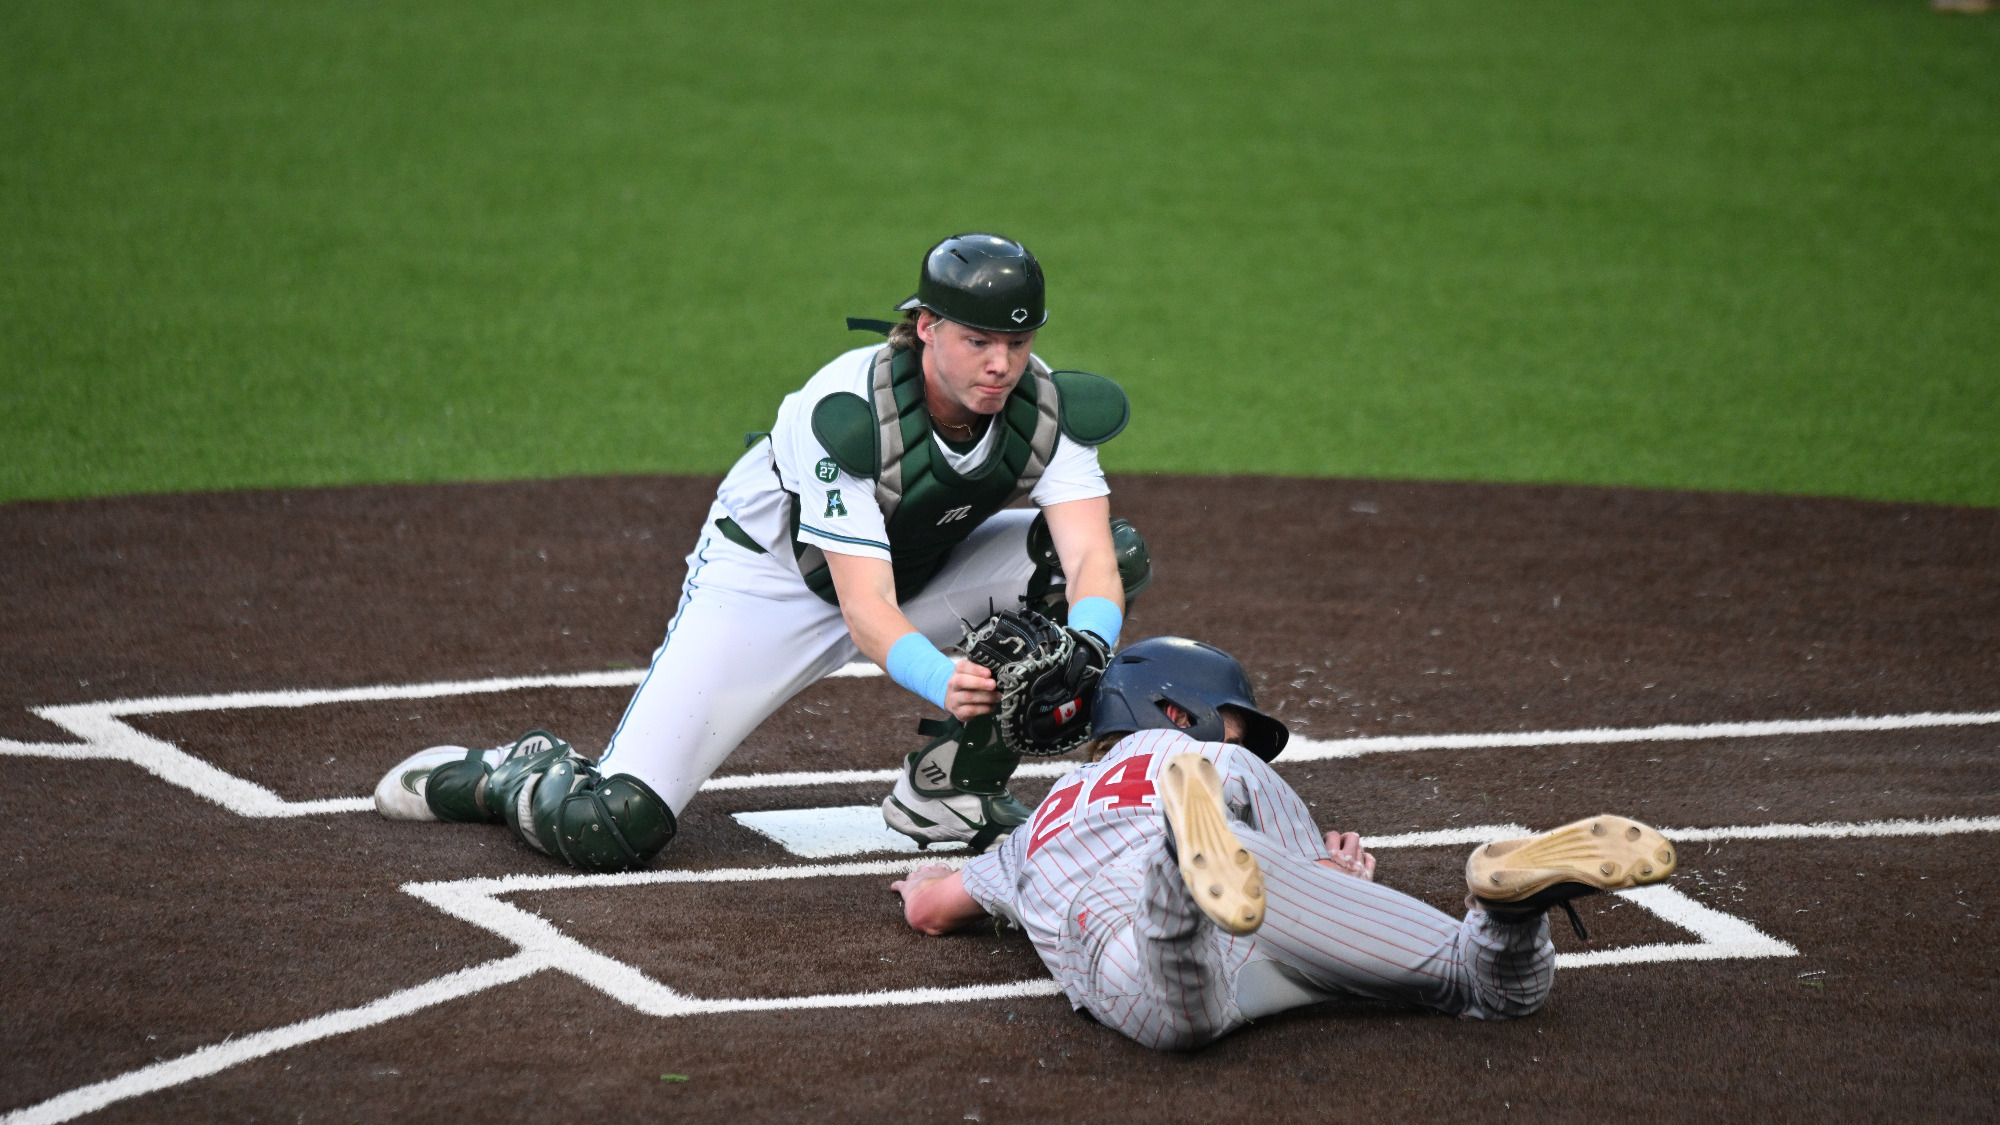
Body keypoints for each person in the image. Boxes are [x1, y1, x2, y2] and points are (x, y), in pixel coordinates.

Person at [372, 233, 1152, 871]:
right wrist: (943, 675)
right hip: (771, 582)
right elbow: (864, 609)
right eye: (978, 340)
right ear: (926, 327)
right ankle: (515, 773)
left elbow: (1090, 561)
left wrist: (1088, 643)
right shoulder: (849, 414)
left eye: (1017, 342)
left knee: (1106, 556)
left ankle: (951, 787)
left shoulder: (1044, 408)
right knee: (608, 822)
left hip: (922, 567)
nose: (1000, 364)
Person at [891, 636, 1679, 1050]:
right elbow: (1311, 876)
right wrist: (1337, 877)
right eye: (1234, 720)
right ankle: (1505, 911)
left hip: (1122, 912)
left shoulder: (1039, 824)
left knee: (1180, 1015)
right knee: (1484, 984)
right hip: (1256, 868)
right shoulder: (1227, 764)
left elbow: (932, 908)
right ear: (1176, 716)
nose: (1245, 740)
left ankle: (1176, 865)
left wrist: (924, 879)